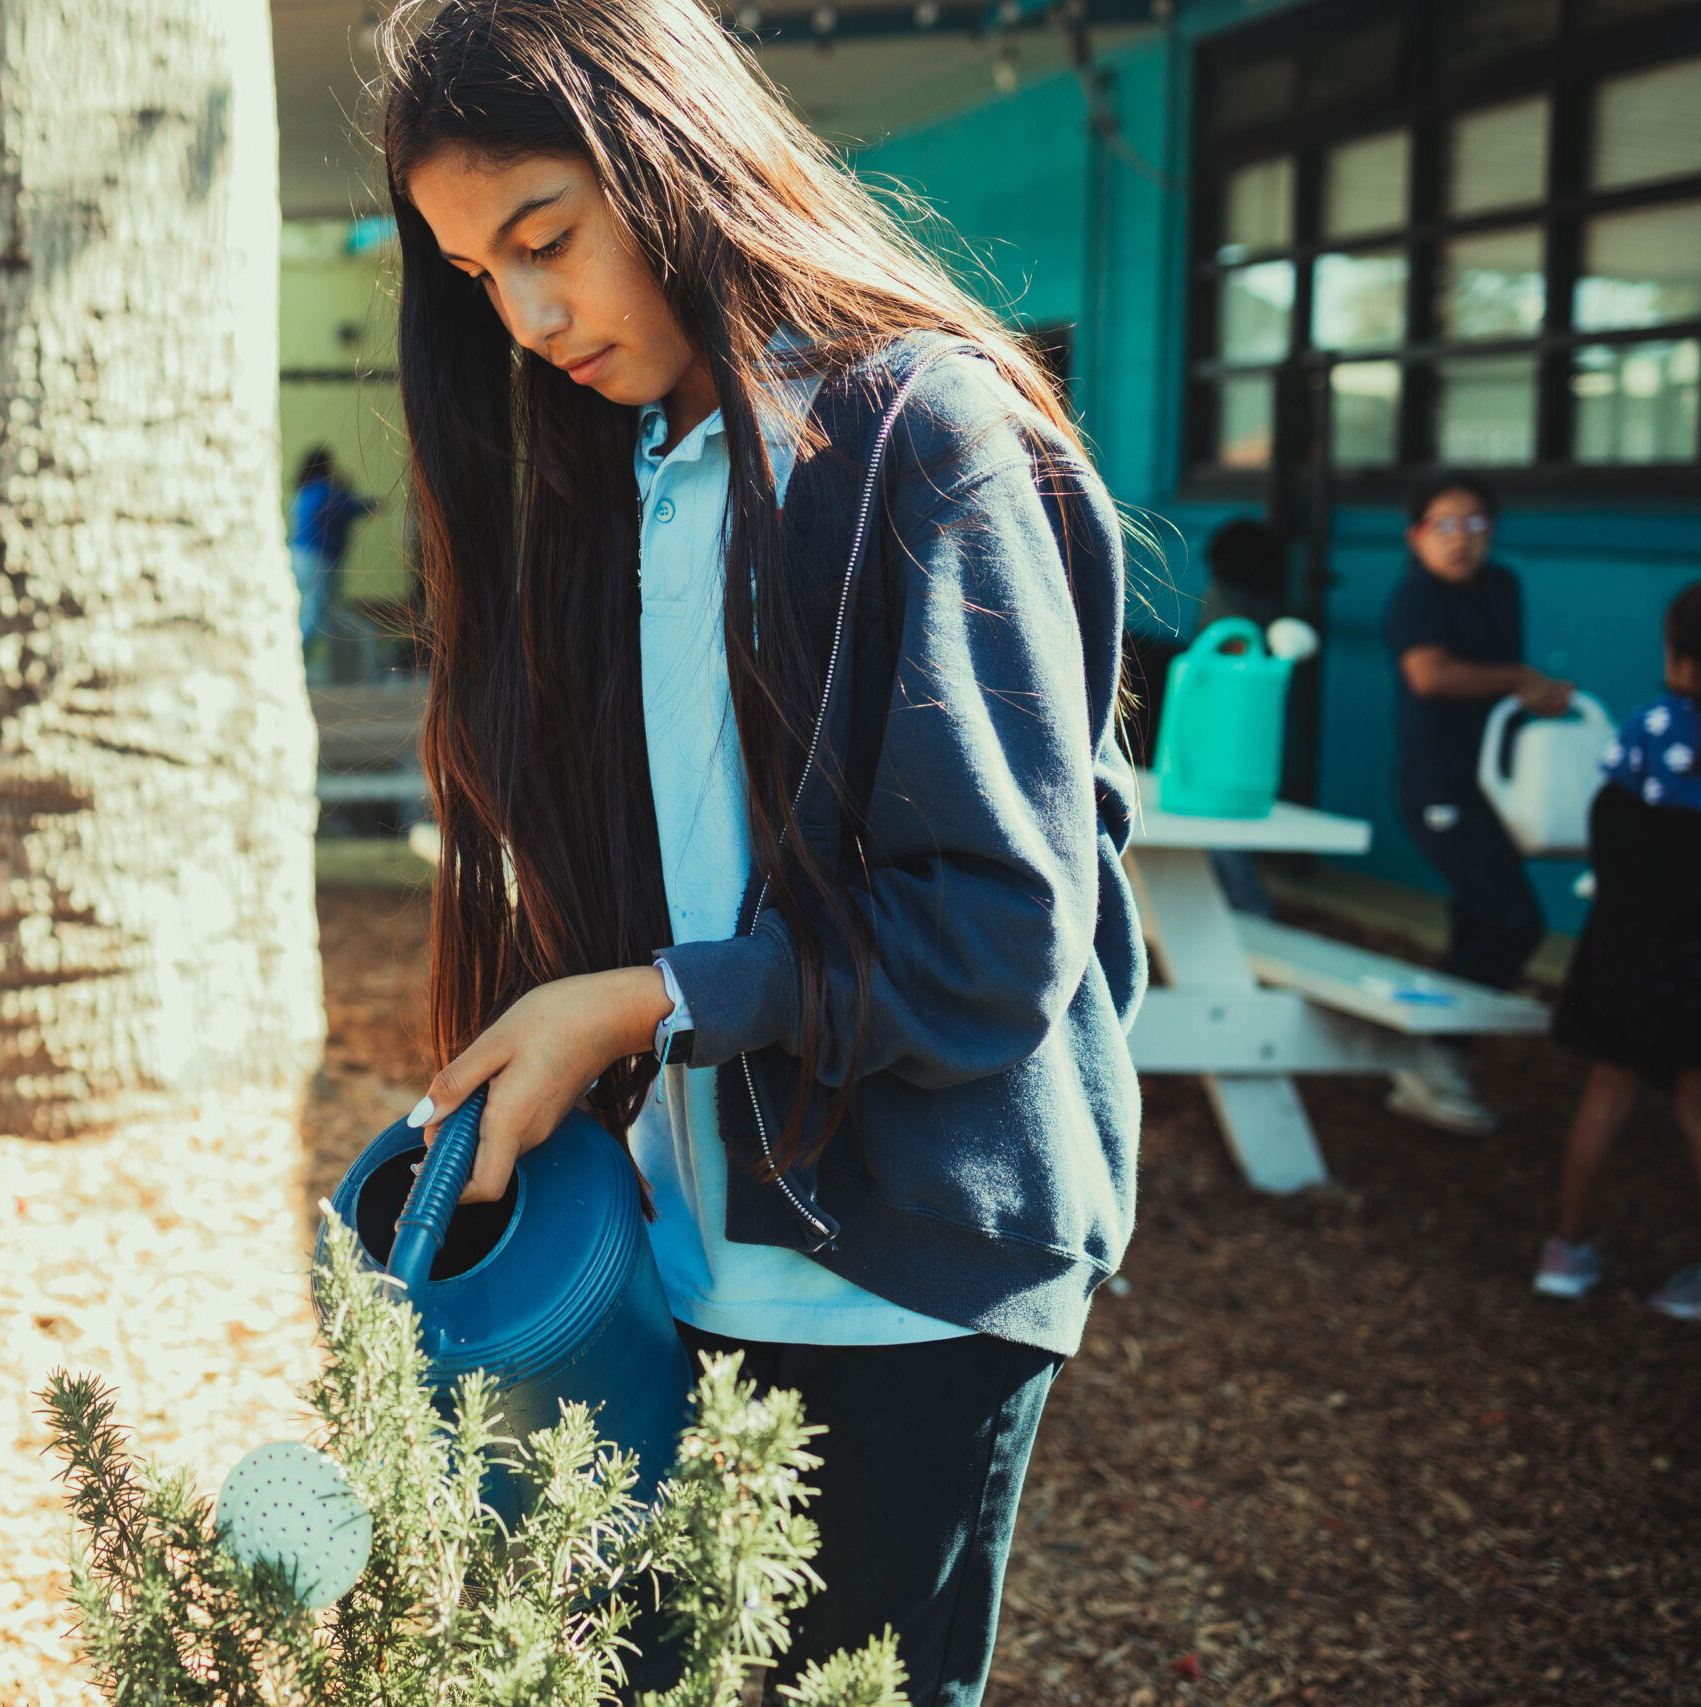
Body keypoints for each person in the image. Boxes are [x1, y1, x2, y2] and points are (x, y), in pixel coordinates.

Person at [375, 5, 1144, 1701]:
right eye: (476, 273)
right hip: (688, 1254)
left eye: (545, 238)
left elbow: (997, 939)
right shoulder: (636, 467)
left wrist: (644, 1000)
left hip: (905, 1278)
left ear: (669, 153)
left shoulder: (919, 437)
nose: (529, 312)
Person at [1381, 475, 1572, 1135]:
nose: (1461, 541)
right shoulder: (1416, 595)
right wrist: (1520, 679)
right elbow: (1428, 674)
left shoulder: (1502, 586)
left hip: (1494, 781)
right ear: (1417, 536)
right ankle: (1430, 1053)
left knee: (1477, 920)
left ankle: (1435, 1065)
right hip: (1438, 786)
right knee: (1514, 919)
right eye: (1445, 526)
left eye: (1475, 526)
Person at [1533, 581, 1701, 1318]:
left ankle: (1563, 1250)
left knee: (1606, 1094)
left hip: (1629, 948)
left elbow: (1607, 828)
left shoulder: (1647, 727)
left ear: (1676, 655)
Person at [1198, 517, 1289, 918]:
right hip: (1218, 719)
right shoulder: (1223, 600)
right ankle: (1242, 902)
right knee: (1220, 814)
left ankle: (1240, 899)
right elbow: (1236, 653)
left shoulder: (1263, 600)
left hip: (1245, 721)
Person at [287, 447, 377, 653]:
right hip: (317, 558)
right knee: (314, 614)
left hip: (298, 555)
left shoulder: (304, 491)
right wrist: (372, 502)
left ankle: (332, 663)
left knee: (317, 611)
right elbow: (348, 507)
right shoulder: (325, 490)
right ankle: (295, 655)